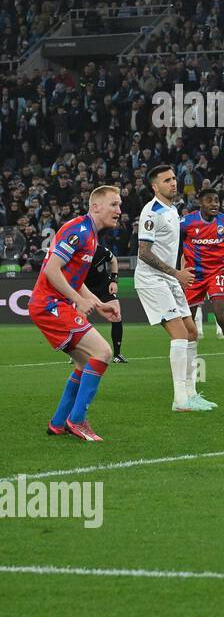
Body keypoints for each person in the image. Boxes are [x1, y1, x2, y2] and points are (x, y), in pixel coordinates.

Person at [30, 186, 124, 441]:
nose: (119, 210)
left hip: (54, 303)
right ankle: (78, 420)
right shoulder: (79, 230)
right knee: (103, 352)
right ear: (96, 207)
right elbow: (51, 270)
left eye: (119, 205)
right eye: (114, 205)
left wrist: (99, 304)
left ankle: (59, 423)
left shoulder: (91, 236)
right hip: (50, 304)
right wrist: (76, 301)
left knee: (85, 362)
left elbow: (76, 279)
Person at [136, 164, 215, 412]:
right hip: (152, 279)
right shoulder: (152, 212)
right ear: (155, 186)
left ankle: (191, 393)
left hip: (169, 278)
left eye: (173, 179)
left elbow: (168, 245)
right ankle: (180, 400)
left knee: (192, 332)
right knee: (180, 334)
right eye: (167, 180)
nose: (173, 183)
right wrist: (176, 273)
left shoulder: (172, 209)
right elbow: (144, 253)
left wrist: (178, 266)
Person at [180, 189, 224, 380]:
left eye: (217, 200)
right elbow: (174, 244)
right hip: (193, 276)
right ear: (200, 203)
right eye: (209, 200)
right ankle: (187, 369)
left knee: (221, 316)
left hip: (217, 274)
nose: (214, 204)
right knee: (188, 323)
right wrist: (176, 272)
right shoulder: (186, 223)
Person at [82, 239, 126, 363]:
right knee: (80, 318)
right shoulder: (76, 254)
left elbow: (113, 260)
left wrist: (114, 280)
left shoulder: (101, 250)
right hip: (85, 289)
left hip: (104, 287)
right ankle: (77, 353)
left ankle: (117, 354)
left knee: (116, 315)